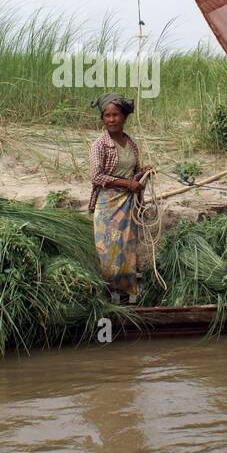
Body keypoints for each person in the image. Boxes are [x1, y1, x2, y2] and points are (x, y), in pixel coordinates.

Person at [88, 93, 153, 305]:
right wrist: (127, 184)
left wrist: (144, 171)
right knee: (109, 250)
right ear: (102, 119)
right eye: (107, 116)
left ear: (124, 117)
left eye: (115, 115)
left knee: (127, 249)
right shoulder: (99, 145)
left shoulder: (131, 143)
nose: (111, 119)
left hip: (128, 204)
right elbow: (96, 176)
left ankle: (128, 296)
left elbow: (133, 172)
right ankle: (111, 296)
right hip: (108, 205)